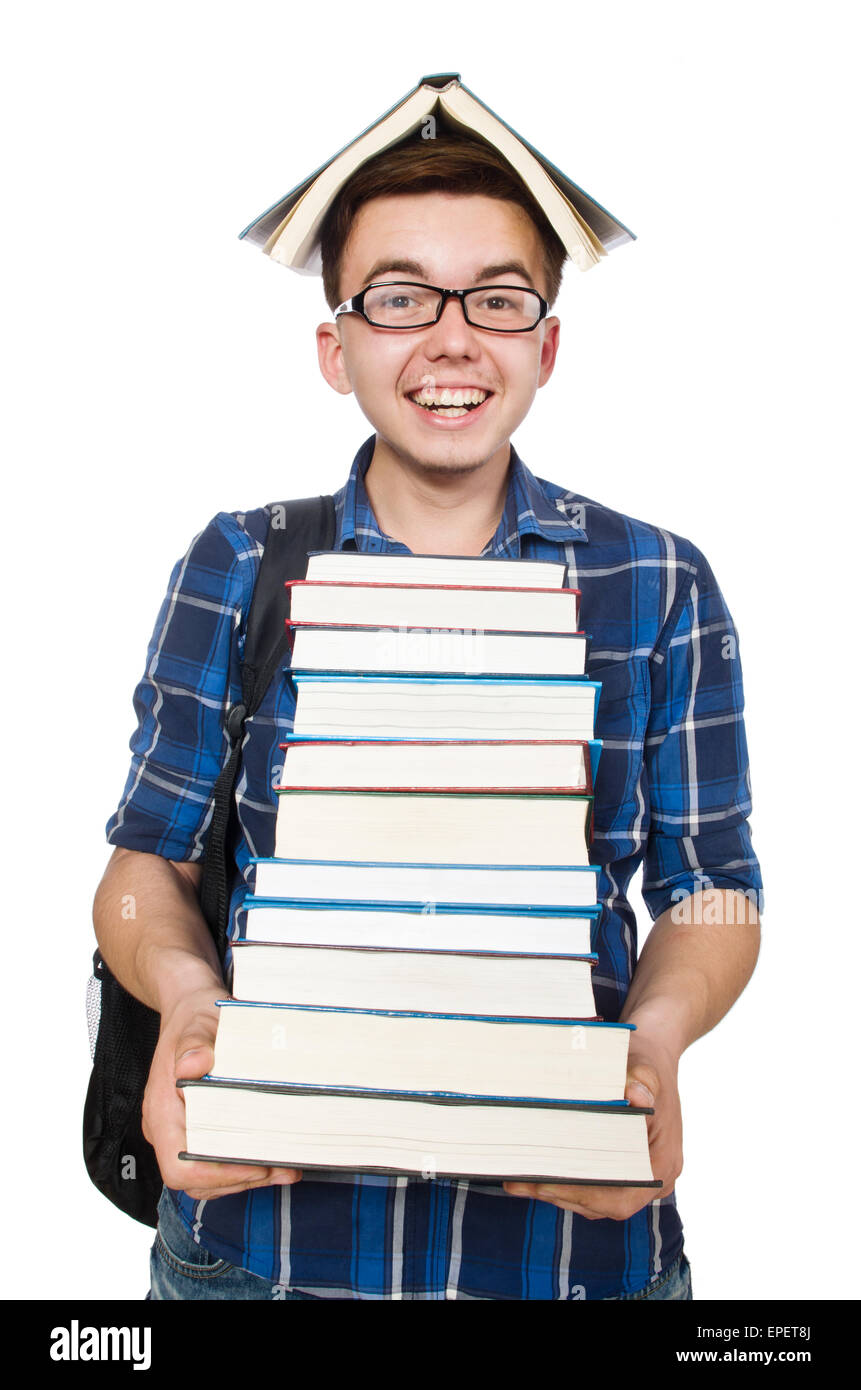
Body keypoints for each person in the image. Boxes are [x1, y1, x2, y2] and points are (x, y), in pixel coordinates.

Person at [94, 134, 762, 1301]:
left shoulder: (659, 585)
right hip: (261, 1255)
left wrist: (655, 1039)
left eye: (497, 300)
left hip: (571, 1260)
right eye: (400, 297)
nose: (452, 339)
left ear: (546, 345)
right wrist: (187, 1003)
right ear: (334, 344)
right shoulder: (239, 561)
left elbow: (716, 888)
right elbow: (144, 864)